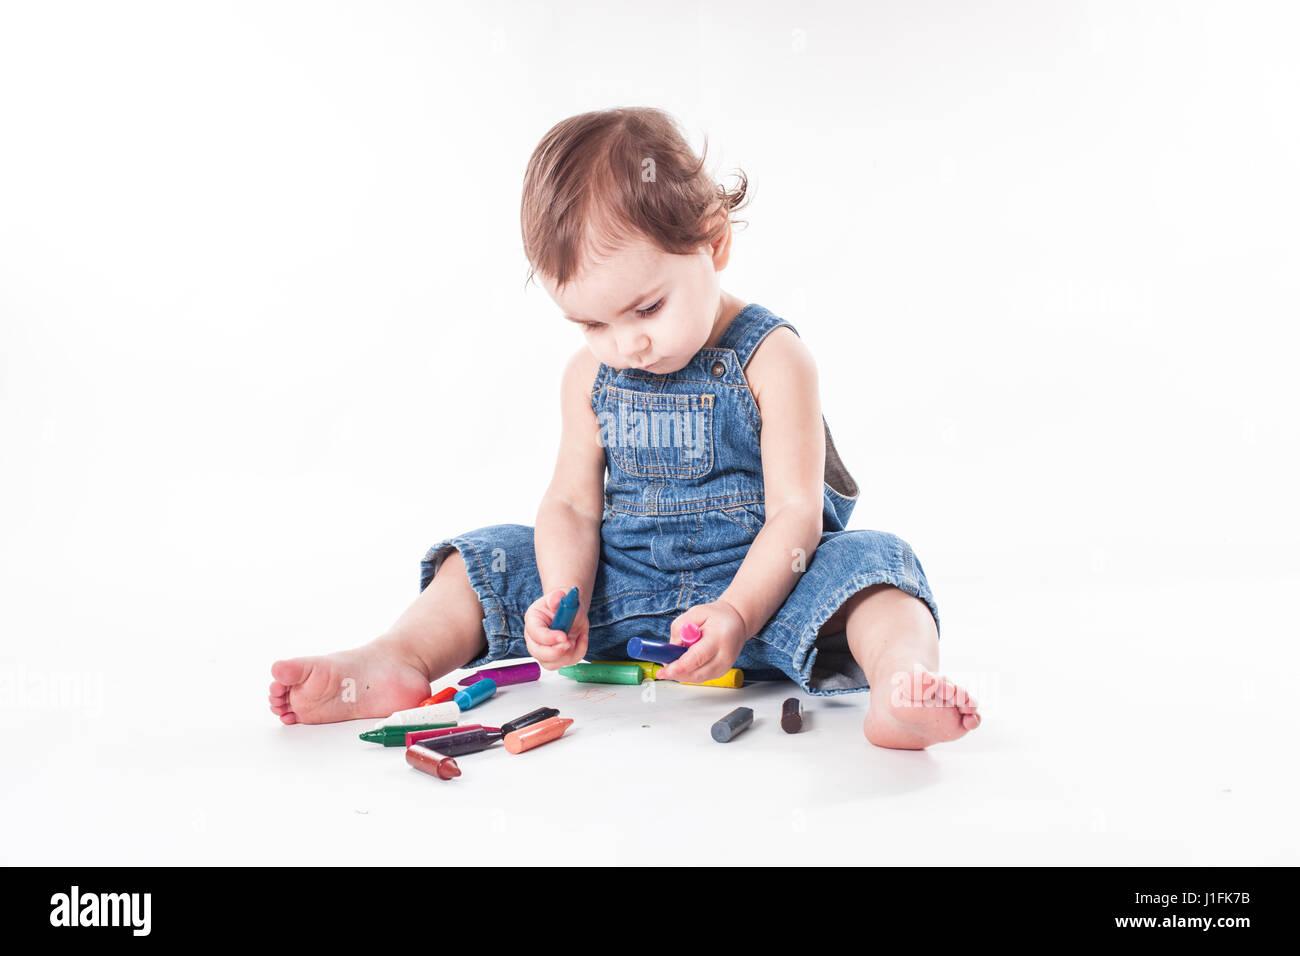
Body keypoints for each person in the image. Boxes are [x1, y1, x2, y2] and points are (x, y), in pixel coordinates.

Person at [269, 107, 981, 749]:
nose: (625, 345)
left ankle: (900, 686)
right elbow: (573, 503)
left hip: (762, 603)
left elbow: (796, 515)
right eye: (590, 322)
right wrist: (561, 592)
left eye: (646, 309)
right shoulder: (589, 376)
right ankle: (395, 659)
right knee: (485, 557)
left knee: (878, 566)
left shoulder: (774, 359)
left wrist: (734, 611)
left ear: (714, 242)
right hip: (623, 600)